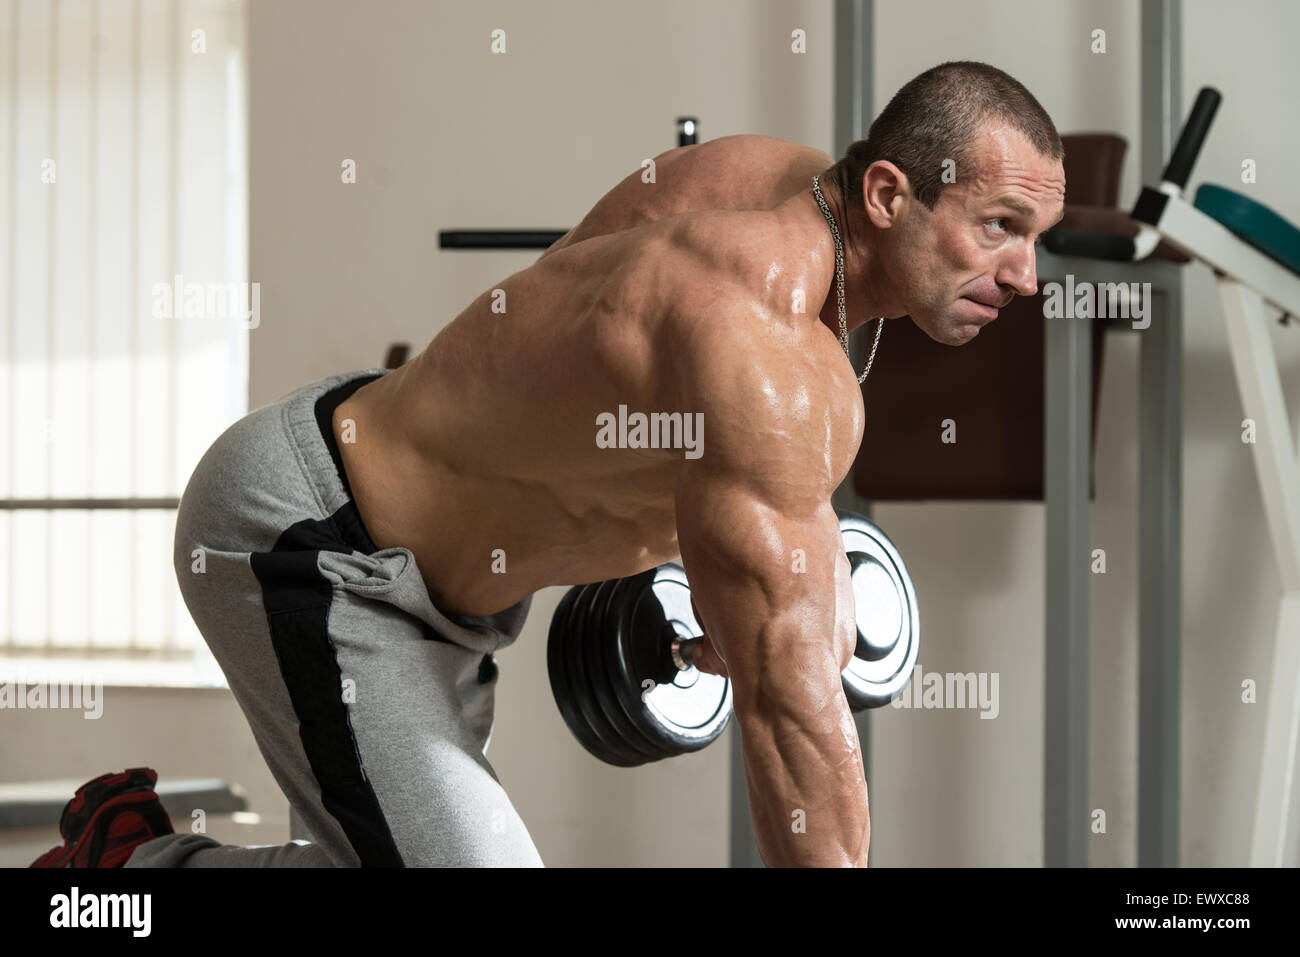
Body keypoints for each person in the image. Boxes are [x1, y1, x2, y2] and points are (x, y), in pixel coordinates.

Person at [36, 60, 1064, 868]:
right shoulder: (766, 348)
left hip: (453, 592)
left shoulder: (758, 185)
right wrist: (778, 615)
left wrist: (730, 571)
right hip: (313, 543)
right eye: (999, 229)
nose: (1025, 275)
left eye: (1036, 237)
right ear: (889, 194)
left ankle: (124, 858)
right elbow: (791, 708)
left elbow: (572, 398)